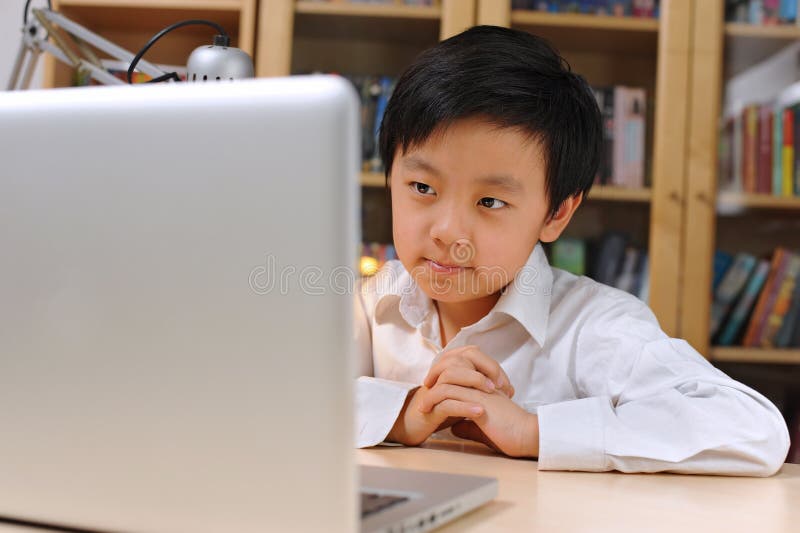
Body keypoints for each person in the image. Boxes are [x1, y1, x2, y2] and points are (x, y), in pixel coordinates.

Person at [354, 25, 789, 475]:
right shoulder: (370, 303)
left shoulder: (594, 324)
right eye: (422, 187)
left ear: (555, 214)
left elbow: (753, 429)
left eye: (490, 202)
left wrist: (534, 431)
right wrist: (403, 414)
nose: (446, 231)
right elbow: (282, 395)